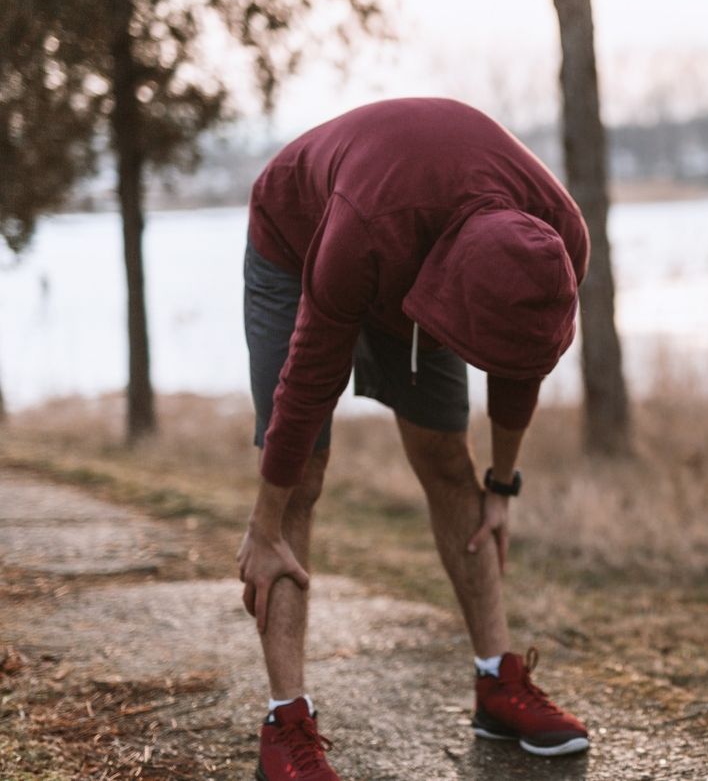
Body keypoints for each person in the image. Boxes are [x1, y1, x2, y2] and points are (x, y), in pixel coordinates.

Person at [238, 98, 591, 781]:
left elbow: (522, 363)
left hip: (424, 234)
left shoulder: (558, 237)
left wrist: (502, 487)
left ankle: (497, 683)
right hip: (300, 240)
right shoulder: (364, 234)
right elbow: (308, 382)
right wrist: (262, 520)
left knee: (447, 464)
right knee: (301, 476)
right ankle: (286, 722)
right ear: (453, 290)